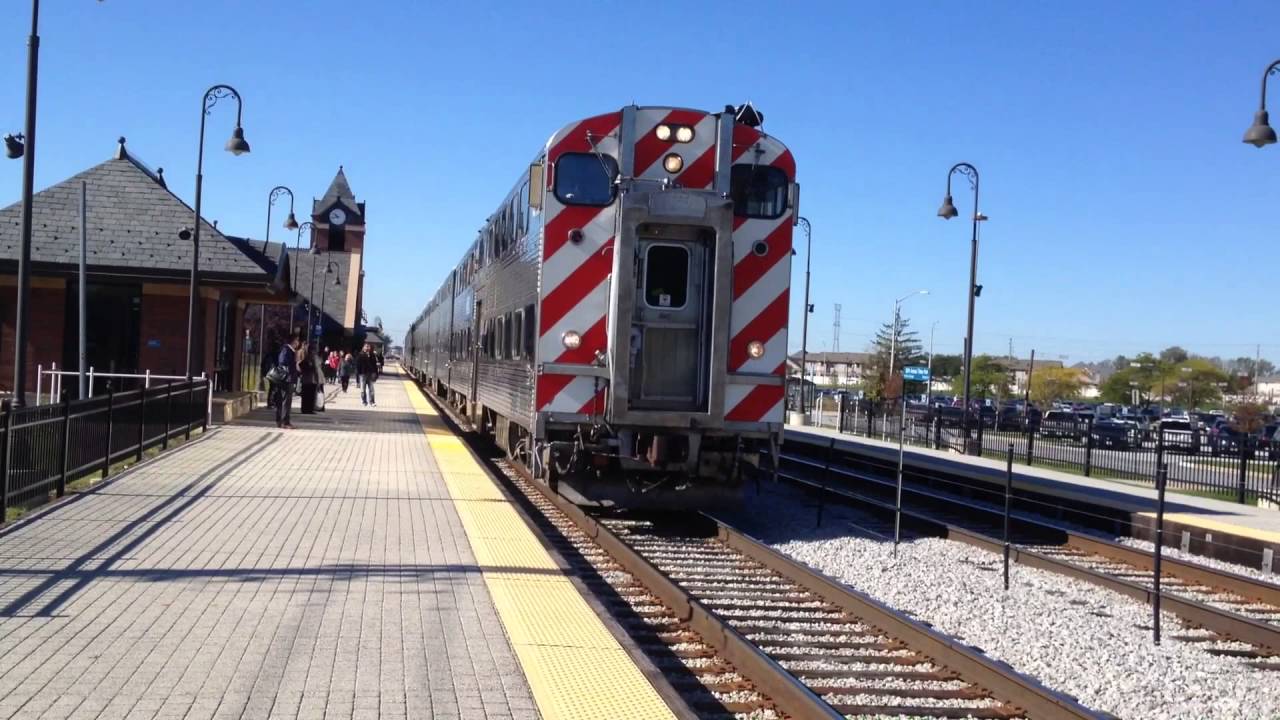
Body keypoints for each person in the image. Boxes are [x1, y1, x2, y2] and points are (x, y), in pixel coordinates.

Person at [273, 335, 300, 429]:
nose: (298, 343)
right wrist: (294, 360)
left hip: (288, 379)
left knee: (285, 400)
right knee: (285, 401)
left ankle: (281, 421)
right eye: (297, 340)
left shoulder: (291, 351)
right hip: (286, 379)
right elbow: (283, 362)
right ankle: (284, 422)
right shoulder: (286, 350)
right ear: (293, 341)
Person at [299, 344, 318, 414]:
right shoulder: (312, 358)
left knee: (305, 395)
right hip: (310, 379)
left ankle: (304, 409)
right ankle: (309, 409)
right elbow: (315, 369)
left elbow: (300, 365)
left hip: (305, 379)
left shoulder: (306, 356)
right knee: (310, 395)